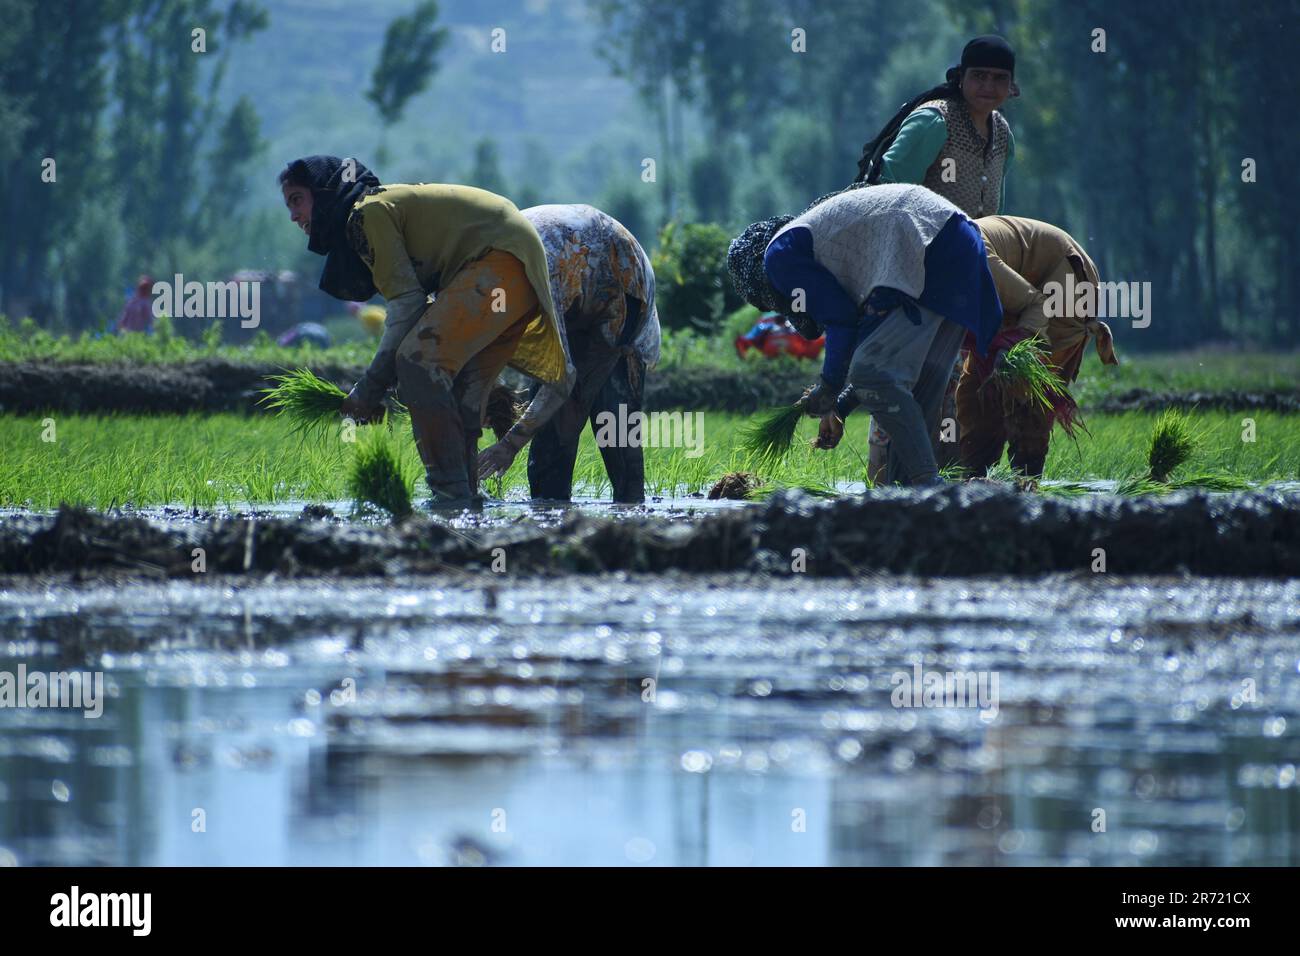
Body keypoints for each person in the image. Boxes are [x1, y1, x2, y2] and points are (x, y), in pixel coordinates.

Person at [278, 155, 568, 509]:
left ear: (323, 193)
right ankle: (465, 498)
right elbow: (415, 308)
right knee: (459, 389)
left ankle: (449, 496)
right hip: (513, 272)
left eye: (297, 200)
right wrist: (377, 387)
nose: (293, 215)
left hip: (500, 261)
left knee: (417, 363)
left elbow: (407, 306)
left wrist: (369, 388)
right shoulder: (373, 210)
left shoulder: (366, 212)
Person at [726, 183, 1002, 487]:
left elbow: (842, 323)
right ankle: (912, 499)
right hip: (959, 248)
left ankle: (928, 486)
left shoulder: (778, 257)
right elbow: (874, 352)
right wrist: (840, 406)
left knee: (872, 373)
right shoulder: (828, 253)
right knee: (916, 392)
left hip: (928, 249)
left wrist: (828, 387)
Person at [854, 34, 1020, 479]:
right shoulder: (934, 121)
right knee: (901, 376)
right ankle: (886, 485)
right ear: (961, 78)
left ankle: (937, 486)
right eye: (979, 76)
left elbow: (993, 212)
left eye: (998, 78)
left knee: (948, 382)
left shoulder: (1002, 133)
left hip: (962, 276)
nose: (988, 85)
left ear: (1011, 86)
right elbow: (889, 191)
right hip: (914, 272)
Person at [476, 204, 660, 503]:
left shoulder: (536, 283)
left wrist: (509, 445)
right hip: (570, 275)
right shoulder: (480, 289)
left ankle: (630, 520)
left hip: (622, 286)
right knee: (549, 440)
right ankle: (551, 517)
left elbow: (562, 378)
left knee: (611, 422)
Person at [956, 216, 1119, 477]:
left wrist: (1015, 343)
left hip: (1062, 279)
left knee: (1028, 394)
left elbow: (1037, 304)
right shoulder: (927, 273)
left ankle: (1027, 486)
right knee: (976, 395)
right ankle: (974, 482)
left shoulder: (973, 258)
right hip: (1015, 295)